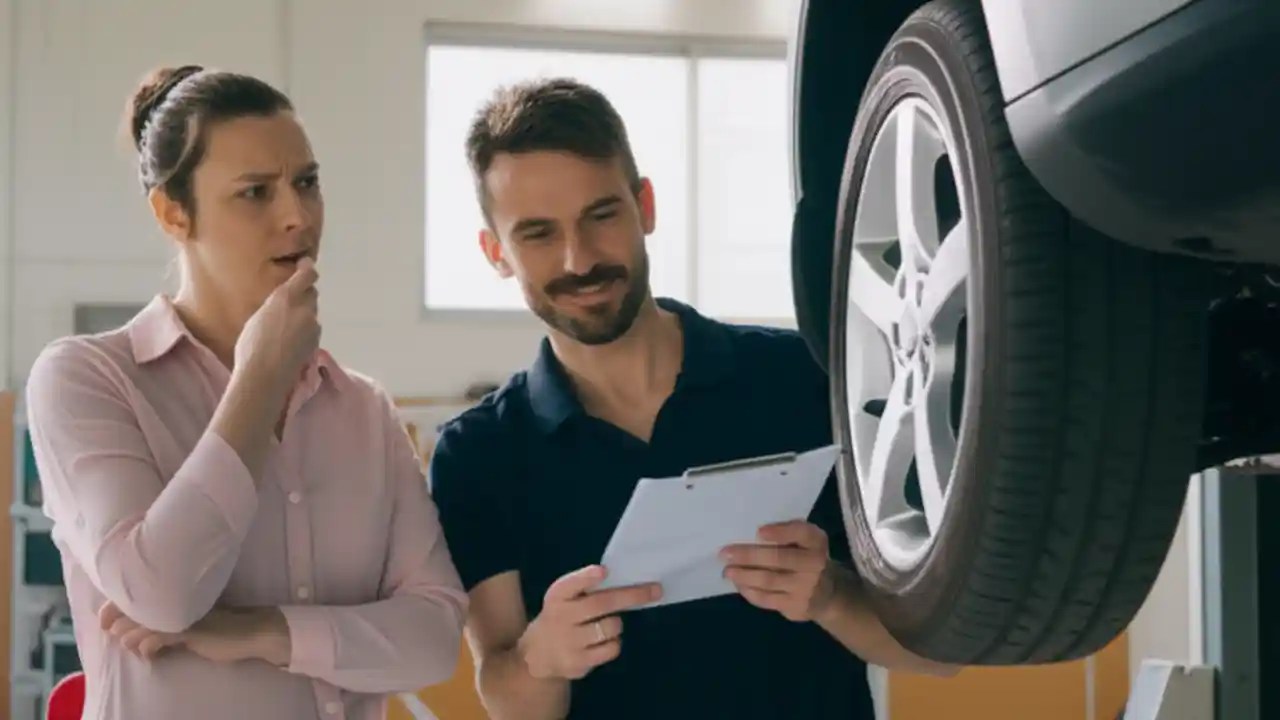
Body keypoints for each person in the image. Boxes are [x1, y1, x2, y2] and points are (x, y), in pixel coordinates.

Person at [428, 77, 957, 720]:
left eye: (601, 216)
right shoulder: (476, 454)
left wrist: (832, 599)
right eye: (538, 233)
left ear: (644, 205)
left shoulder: (806, 378)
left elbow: (939, 653)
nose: (579, 258)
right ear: (496, 253)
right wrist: (542, 658)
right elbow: (506, 696)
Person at [23, 65, 467, 720]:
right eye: (255, 192)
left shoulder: (363, 409)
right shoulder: (85, 380)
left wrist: (260, 633)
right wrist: (260, 374)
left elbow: (434, 640)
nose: (298, 216)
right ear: (173, 212)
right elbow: (161, 592)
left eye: (307, 184)